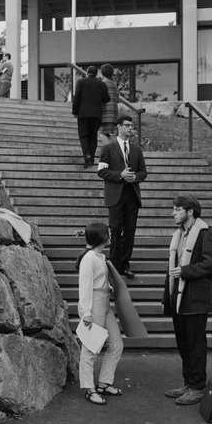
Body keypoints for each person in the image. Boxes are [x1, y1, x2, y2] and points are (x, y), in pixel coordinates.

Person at [162, 195, 212, 405]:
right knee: (184, 343)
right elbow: (173, 269)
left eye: (177, 209)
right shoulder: (179, 234)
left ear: (190, 211)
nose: (173, 213)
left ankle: (197, 387)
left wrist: (186, 271)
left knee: (196, 343)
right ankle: (189, 383)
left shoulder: (206, 233)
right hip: (179, 298)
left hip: (195, 299)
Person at [76, 221, 125, 405]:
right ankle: (89, 389)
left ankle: (104, 383)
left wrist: (109, 287)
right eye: (108, 233)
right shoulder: (89, 258)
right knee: (90, 347)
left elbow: (97, 281)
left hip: (104, 303)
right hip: (94, 305)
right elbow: (85, 286)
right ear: (102, 237)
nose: (111, 236)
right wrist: (86, 312)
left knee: (116, 344)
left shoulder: (100, 257)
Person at [97, 114, 148, 279]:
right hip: (115, 195)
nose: (130, 128)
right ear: (118, 127)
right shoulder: (108, 149)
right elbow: (102, 171)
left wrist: (136, 177)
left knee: (130, 230)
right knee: (116, 229)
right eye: (127, 125)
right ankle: (114, 266)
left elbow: (143, 171)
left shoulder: (136, 150)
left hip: (131, 195)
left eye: (131, 126)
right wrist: (120, 174)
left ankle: (125, 265)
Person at [72, 65, 110, 168]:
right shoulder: (101, 84)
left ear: (87, 72)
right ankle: (91, 158)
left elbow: (77, 98)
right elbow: (107, 98)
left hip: (83, 114)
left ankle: (87, 155)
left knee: (83, 136)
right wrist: (98, 102)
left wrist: (75, 111)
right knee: (93, 137)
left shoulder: (81, 82)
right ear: (97, 73)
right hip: (96, 114)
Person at [99, 64, 119, 149]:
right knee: (108, 133)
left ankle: (111, 151)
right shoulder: (114, 84)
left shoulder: (102, 84)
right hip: (114, 112)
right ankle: (113, 150)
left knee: (102, 132)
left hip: (105, 112)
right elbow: (117, 97)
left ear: (102, 73)